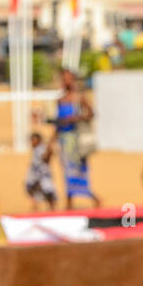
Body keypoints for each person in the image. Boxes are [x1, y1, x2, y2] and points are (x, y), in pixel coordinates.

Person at [52, 68, 100, 209]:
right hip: (64, 140)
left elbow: (91, 114)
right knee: (66, 170)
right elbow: (58, 123)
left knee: (78, 170)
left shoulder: (80, 97)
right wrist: (51, 141)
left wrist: (76, 118)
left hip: (77, 140)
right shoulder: (60, 99)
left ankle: (91, 196)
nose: (66, 81)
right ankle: (69, 201)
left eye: (69, 78)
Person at [25, 131, 57, 211]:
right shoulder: (35, 150)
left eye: (34, 140)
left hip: (43, 175)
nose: (32, 142)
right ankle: (36, 208)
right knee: (34, 192)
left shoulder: (41, 148)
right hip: (36, 176)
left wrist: (49, 151)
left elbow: (46, 157)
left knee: (48, 192)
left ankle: (52, 210)